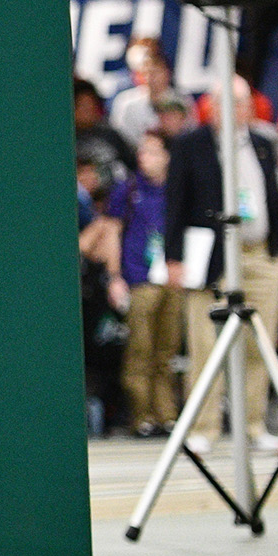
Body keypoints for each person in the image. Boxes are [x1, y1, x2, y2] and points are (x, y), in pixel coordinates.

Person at [165, 75, 278, 454]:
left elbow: (274, 196)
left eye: (244, 102)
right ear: (213, 106)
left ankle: (253, 424)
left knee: (260, 343)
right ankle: (204, 426)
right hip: (213, 255)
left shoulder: (264, 144)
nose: (239, 110)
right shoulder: (191, 145)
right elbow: (175, 204)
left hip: (260, 254)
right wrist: (174, 258)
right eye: (229, 102)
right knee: (204, 343)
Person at [104, 131, 183, 437]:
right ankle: (141, 415)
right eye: (142, 152)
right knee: (140, 349)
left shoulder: (176, 189)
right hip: (139, 278)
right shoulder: (129, 189)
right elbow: (112, 231)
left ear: (167, 156)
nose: (144, 158)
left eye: (152, 152)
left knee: (167, 350)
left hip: (171, 277)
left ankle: (166, 413)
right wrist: (115, 276)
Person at [107, 39, 172, 148]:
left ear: (167, 73)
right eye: (148, 72)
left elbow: (189, 133)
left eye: (157, 72)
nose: (152, 77)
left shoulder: (182, 100)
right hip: (133, 158)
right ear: (140, 75)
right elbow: (119, 139)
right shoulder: (125, 102)